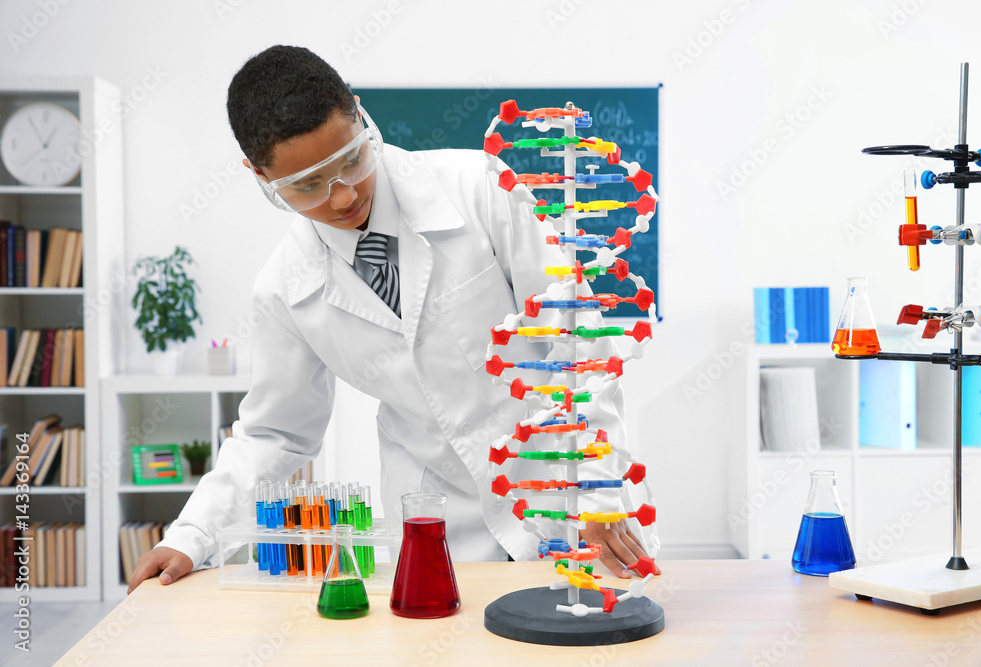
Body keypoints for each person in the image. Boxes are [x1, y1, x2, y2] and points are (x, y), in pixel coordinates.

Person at [128, 45, 652, 594]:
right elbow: (275, 434)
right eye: (307, 185)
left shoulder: (478, 188)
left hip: (569, 490)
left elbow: (579, 343)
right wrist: (190, 534)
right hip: (442, 521)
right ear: (259, 175)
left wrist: (597, 490)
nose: (343, 196)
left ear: (360, 114)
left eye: (352, 159)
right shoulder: (286, 289)